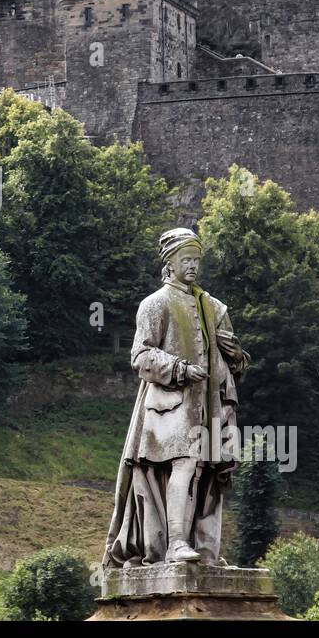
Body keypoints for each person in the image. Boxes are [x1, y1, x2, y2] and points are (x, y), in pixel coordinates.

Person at [102, 228, 250, 567]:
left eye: (197, 260)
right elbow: (140, 356)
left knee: (207, 472)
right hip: (168, 406)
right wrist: (179, 369)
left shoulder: (214, 307)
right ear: (169, 263)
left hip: (209, 404)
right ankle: (175, 544)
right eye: (186, 260)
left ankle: (205, 550)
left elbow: (236, 359)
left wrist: (236, 355)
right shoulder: (155, 303)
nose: (193, 266)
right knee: (184, 463)